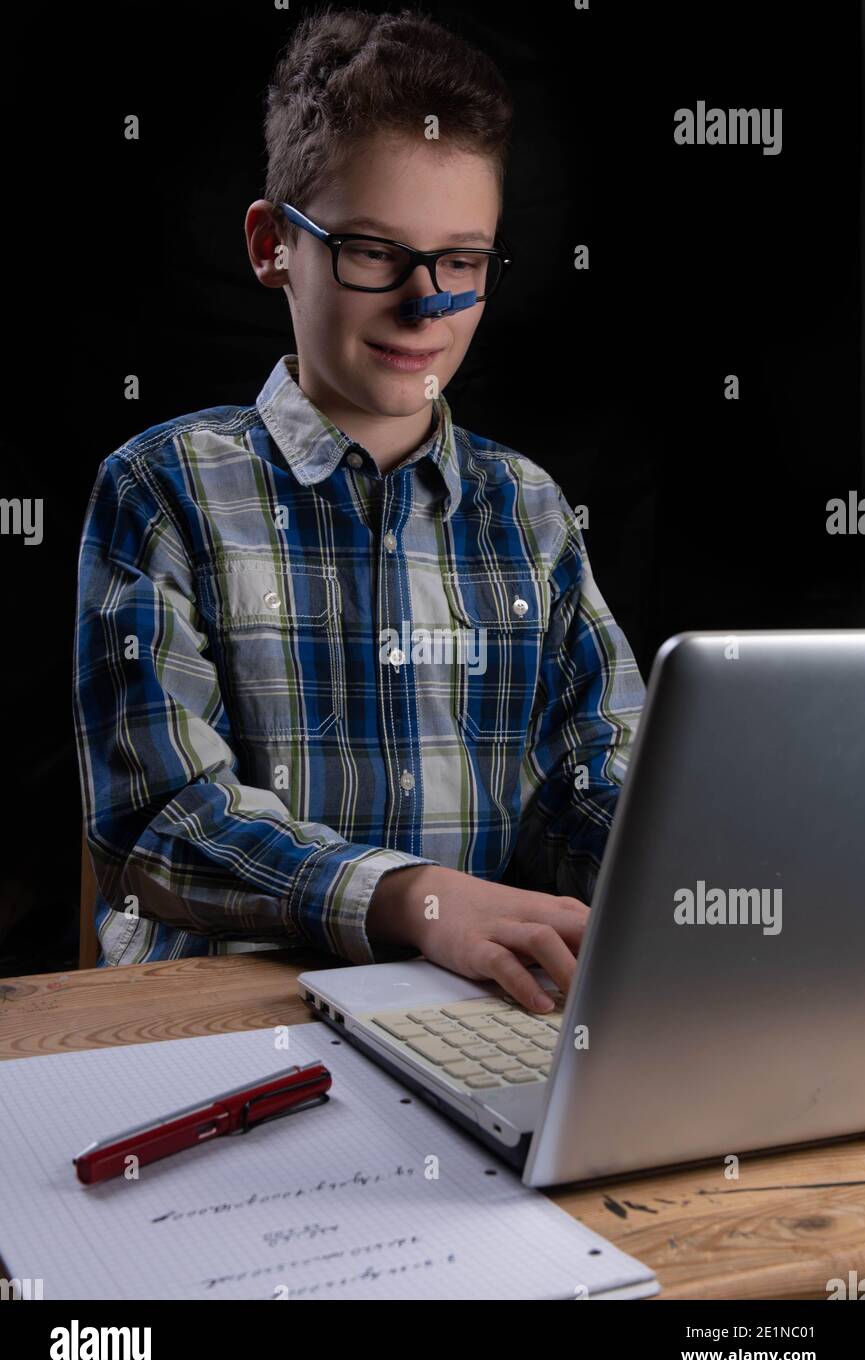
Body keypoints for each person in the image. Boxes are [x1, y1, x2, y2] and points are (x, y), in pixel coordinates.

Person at [73, 6, 645, 1012]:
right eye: (373, 252)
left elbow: (594, 784)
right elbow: (162, 819)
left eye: (460, 262)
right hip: (223, 1022)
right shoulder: (162, 488)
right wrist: (416, 900)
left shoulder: (529, 511)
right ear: (271, 247)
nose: (424, 305)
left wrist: (688, 876)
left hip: (473, 1013)